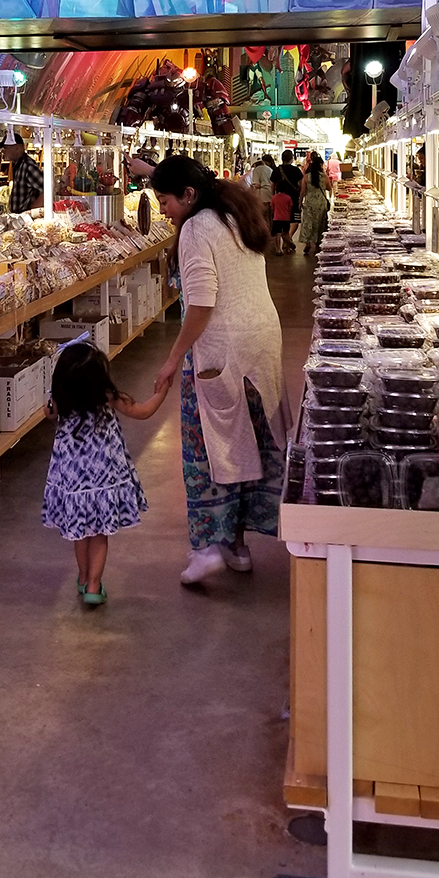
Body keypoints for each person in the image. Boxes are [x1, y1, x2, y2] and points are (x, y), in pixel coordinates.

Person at [150, 157, 291, 585]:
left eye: (166, 201)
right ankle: (236, 546)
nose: (163, 210)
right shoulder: (234, 215)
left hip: (221, 350)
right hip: (260, 343)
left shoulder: (196, 228)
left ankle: (209, 546)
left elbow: (201, 304)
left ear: (188, 195)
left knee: (210, 449)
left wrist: (173, 359)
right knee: (247, 443)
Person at [42, 341, 168, 605]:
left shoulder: (60, 401)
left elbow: (49, 415)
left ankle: (83, 577)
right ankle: (93, 586)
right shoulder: (108, 397)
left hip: (73, 483)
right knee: (99, 534)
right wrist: (162, 391)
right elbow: (143, 411)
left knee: (80, 533)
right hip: (103, 482)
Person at [0, 133, 44, 214]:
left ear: (18, 148)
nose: (3, 151)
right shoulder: (18, 165)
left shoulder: (28, 166)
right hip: (20, 217)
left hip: (25, 218)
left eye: (5, 148)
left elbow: (47, 190)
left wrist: (31, 212)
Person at [299, 151, 332, 255]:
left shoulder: (306, 177)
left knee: (308, 223)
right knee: (320, 224)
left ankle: (308, 243)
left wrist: (300, 202)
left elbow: (303, 191)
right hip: (321, 203)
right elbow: (329, 188)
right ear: (320, 166)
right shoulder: (324, 177)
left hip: (309, 202)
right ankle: (317, 245)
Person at [280, 149, 303, 252]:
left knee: (282, 219)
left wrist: (273, 196)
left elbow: (272, 184)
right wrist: (301, 196)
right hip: (293, 197)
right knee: (295, 219)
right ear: (292, 159)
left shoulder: (277, 170)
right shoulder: (296, 170)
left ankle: (286, 238)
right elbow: (301, 184)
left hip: (280, 198)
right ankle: (289, 237)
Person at [269, 169, 293, 254]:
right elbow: (290, 208)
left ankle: (278, 249)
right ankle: (288, 248)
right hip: (286, 218)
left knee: (277, 234)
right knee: (286, 234)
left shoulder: (274, 198)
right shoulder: (288, 198)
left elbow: (272, 207)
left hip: (276, 218)